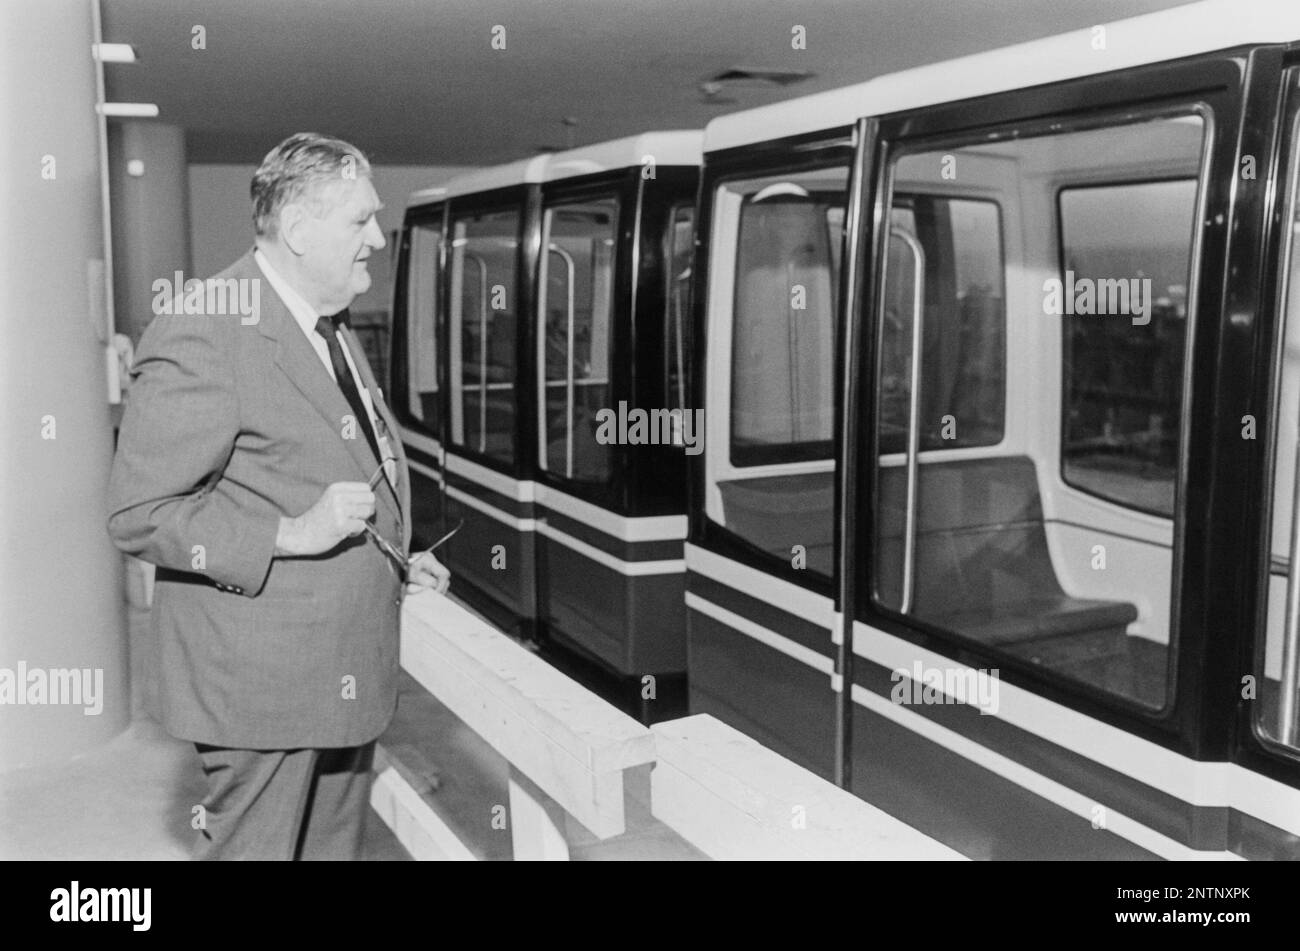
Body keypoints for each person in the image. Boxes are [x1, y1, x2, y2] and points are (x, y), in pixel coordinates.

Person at [107, 132, 449, 860]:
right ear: (298, 229)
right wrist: (291, 533)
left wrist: (393, 555)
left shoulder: (327, 327)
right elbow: (139, 512)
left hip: (342, 672)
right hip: (262, 689)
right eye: (360, 220)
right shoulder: (205, 328)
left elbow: (329, 461)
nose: (378, 239)